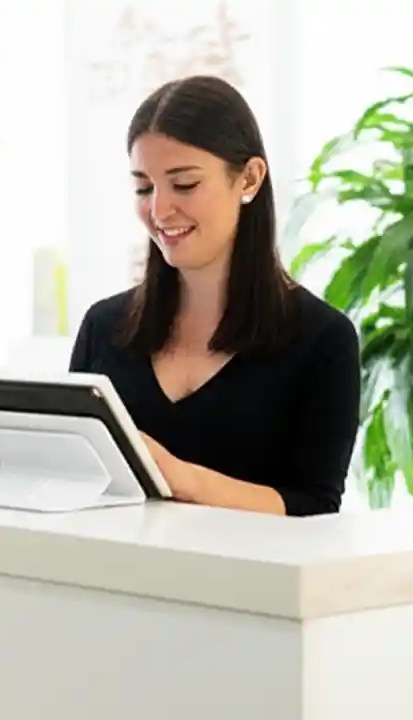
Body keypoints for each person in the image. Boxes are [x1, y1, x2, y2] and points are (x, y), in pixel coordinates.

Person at [68, 75, 361, 517]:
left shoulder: (322, 340)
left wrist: (179, 478)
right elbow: (75, 481)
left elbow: (314, 507)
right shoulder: (103, 327)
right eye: (144, 187)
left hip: (251, 565)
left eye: (184, 184)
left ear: (249, 179)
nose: (159, 209)